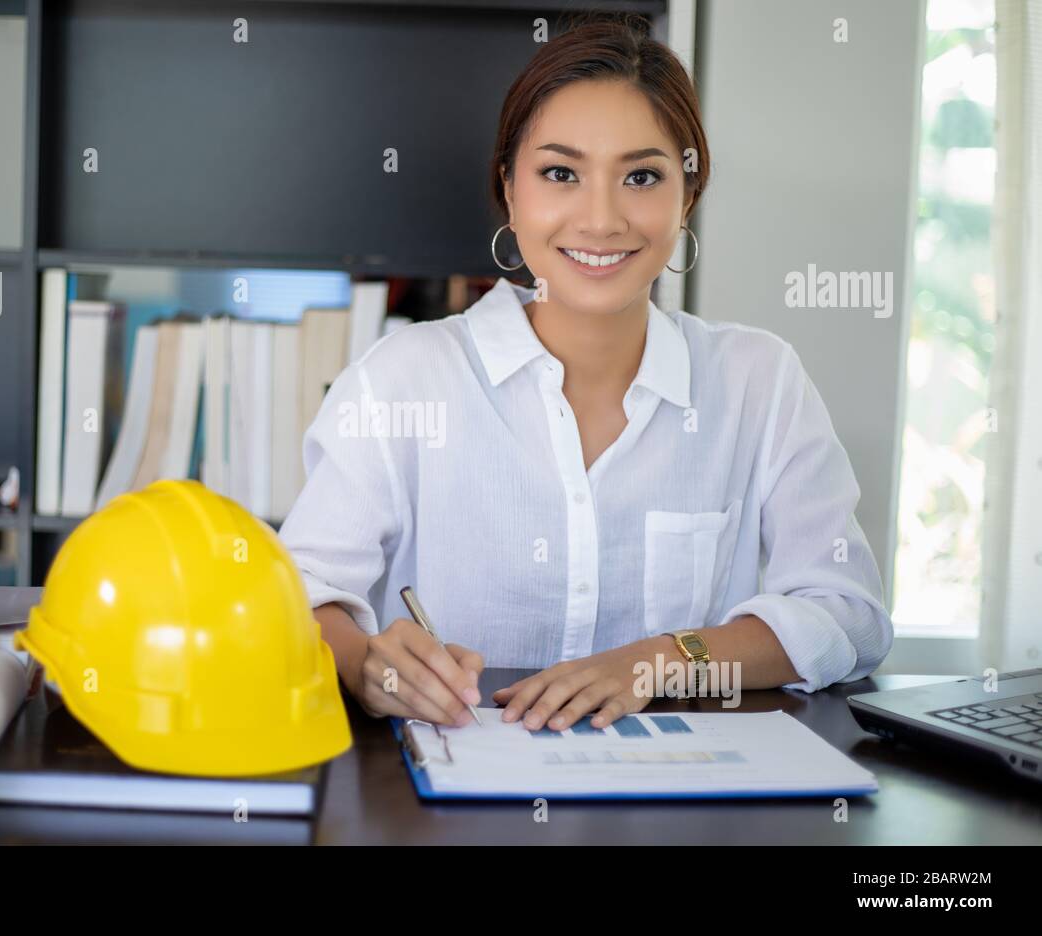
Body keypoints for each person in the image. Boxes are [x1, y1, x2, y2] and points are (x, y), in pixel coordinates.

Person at [278, 19, 893, 732]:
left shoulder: (760, 381)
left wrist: (660, 660)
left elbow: (848, 616)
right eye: (560, 173)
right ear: (510, 190)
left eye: (641, 176)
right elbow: (295, 597)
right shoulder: (402, 381)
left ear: (686, 195)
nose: (601, 219)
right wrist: (366, 665)